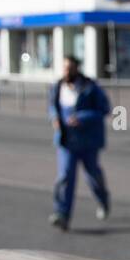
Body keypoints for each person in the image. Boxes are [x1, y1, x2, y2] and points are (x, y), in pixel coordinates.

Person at [48, 55, 112, 230]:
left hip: (88, 142)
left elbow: (105, 108)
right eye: (64, 68)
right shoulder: (57, 87)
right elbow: (53, 107)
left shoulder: (90, 87)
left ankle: (103, 199)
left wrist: (82, 118)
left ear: (77, 68)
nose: (66, 71)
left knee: (92, 176)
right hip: (66, 141)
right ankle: (62, 214)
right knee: (65, 176)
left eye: (69, 68)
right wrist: (54, 118)